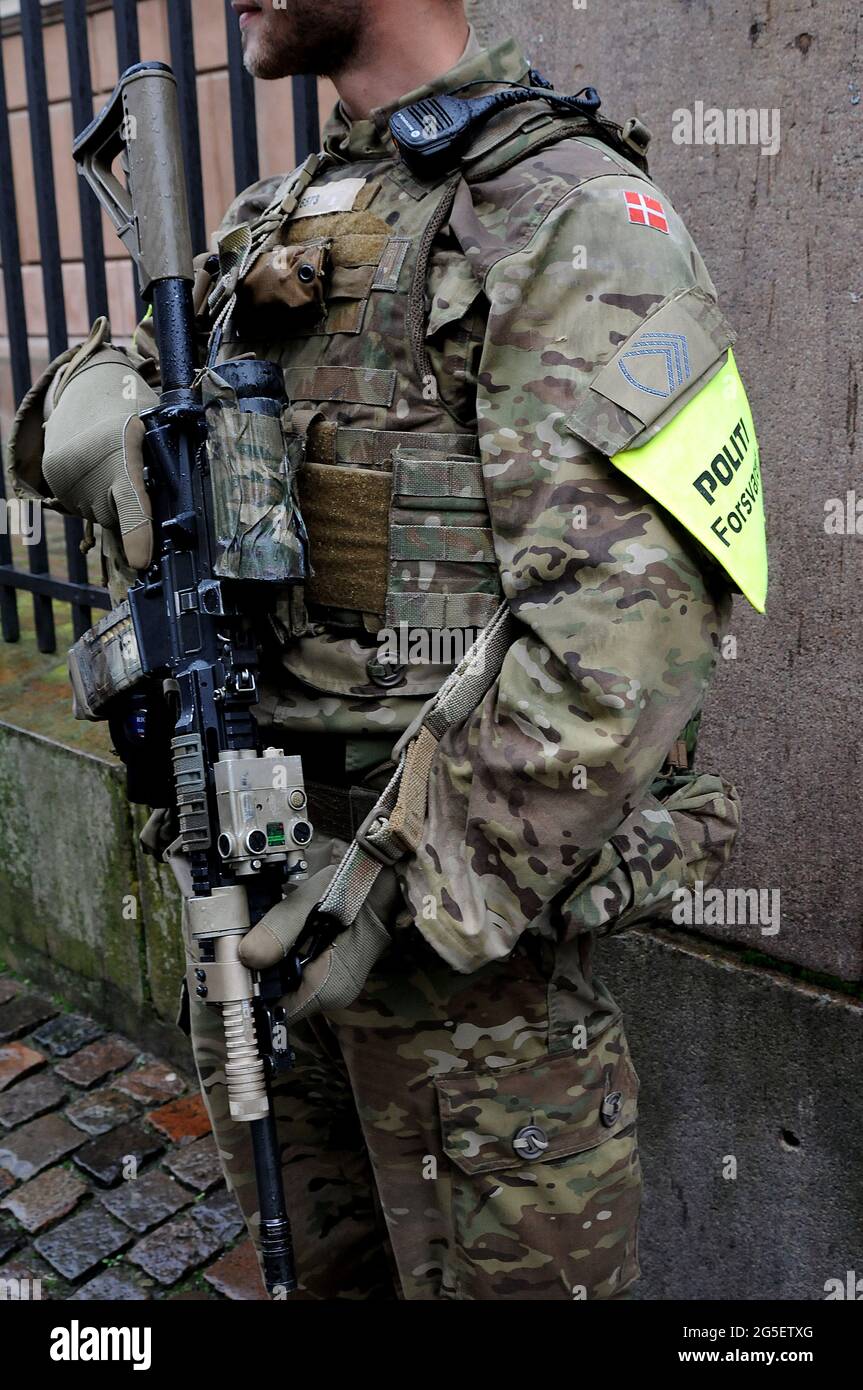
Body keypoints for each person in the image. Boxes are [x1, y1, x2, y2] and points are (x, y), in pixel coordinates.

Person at [9, 0, 765, 1299]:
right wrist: (94, 405)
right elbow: (135, 381)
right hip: (260, 927)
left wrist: (387, 890)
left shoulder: (570, 211)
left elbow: (625, 635)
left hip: (468, 1007)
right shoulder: (275, 215)